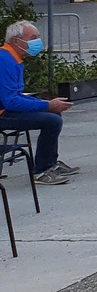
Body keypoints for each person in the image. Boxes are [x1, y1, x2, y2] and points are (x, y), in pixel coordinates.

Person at [0, 20, 76, 185]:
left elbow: (15, 95)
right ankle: (41, 171)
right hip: (3, 114)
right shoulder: (5, 61)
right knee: (52, 120)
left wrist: (45, 103)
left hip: (6, 109)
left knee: (54, 114)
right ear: (16, 41)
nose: (37, 42)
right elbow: (10, 101)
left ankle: (50, 164)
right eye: (33, 37)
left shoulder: (11, 58)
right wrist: (46, 105)